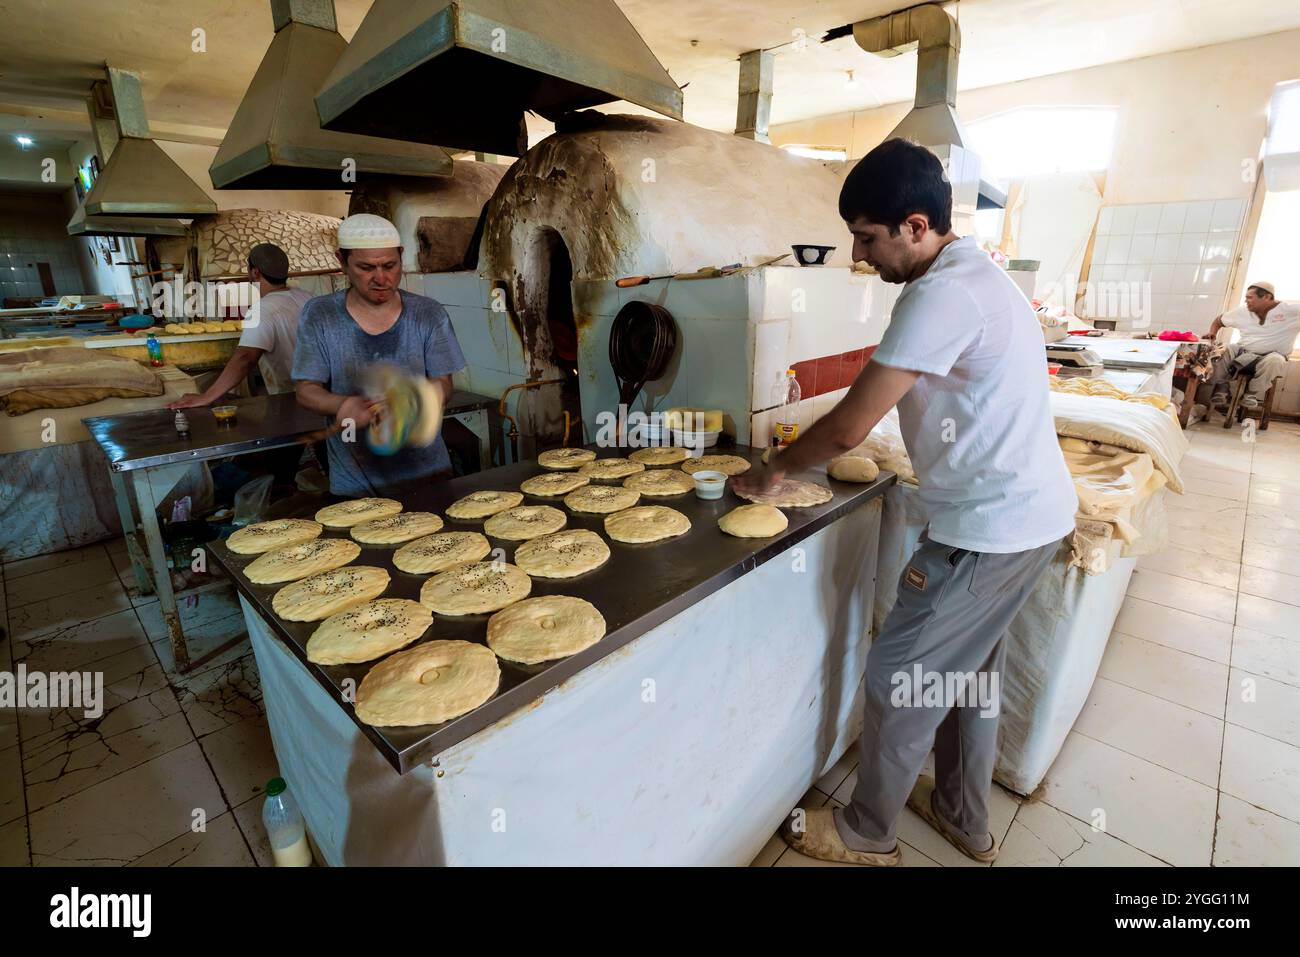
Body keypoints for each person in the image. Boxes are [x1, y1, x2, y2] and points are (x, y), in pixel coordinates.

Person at [734, 138, 1077, 866]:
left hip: (992, 528)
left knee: (901, 676)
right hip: (1030, 517)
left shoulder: (941, 293)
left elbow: (851, 425)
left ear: (915, 226)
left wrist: (772, 472)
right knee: (971, 670)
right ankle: (962, 814)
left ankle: (866, 832)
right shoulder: (975, 274)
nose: (860, 257)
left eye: (867, 238)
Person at [292, 213, 466, 497]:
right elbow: (305, 390)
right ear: (341, 262)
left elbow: (444, 383)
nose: (381, 279)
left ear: (401, 256)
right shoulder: (320, 315)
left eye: (390, 265)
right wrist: (341, 404)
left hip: (428, 477)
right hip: (355, 486)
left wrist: (420, 398)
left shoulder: (428, 314)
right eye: (366, 268)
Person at [169, 243, 312, 408]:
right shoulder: (309, 298)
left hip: (294, 401)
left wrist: (206, 397)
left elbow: (245, 357)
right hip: (324, 394)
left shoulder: (262, 310)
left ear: (255, 272)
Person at [1203, 282, 1298, 411]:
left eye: (1250, 297)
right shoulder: (1243, 311)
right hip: (1243, 352)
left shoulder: (1290, 310)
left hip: (1270, 356)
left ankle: (1251, 394)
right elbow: (1219, 321)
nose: (1246, 300)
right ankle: (1221, 387)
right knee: (1222, 349)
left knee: (1276, 360)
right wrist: (1212, 333)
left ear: (1267, 297)